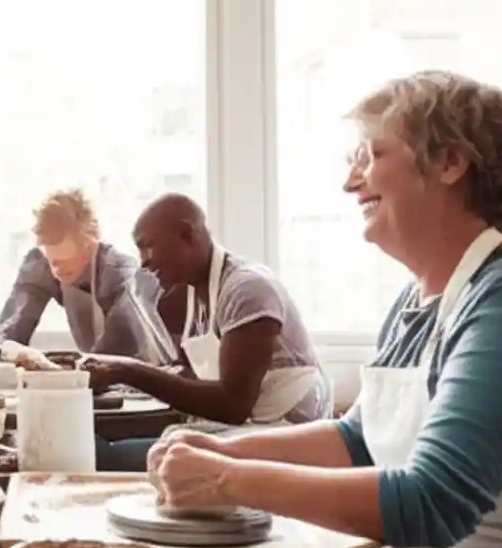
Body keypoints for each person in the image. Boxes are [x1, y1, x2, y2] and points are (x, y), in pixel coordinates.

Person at [149, 71, 502, 548]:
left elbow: (435, 501)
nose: (351, 181)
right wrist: (223, 449)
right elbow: (358, 440)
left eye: (371, 156)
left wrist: (225, 480)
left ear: (450, 162)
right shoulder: (417, 302)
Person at [84, 193, 331, 470]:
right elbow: (189, 377)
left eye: (148, 246)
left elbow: (233, 406)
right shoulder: (195, 294)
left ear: (187, 235)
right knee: (92, 440)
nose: (142, 262)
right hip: (246, 426)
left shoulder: (247, 289)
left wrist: (127, 370)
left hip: (283, 433)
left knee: (102, 456)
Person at [0, 189, 146, 356]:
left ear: (91, 241)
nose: (58, 271)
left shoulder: (120, 274)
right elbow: (14, 326)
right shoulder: (42, 265)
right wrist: (6, 353)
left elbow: (119, 350)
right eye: (54, 263)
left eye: (66, 263)